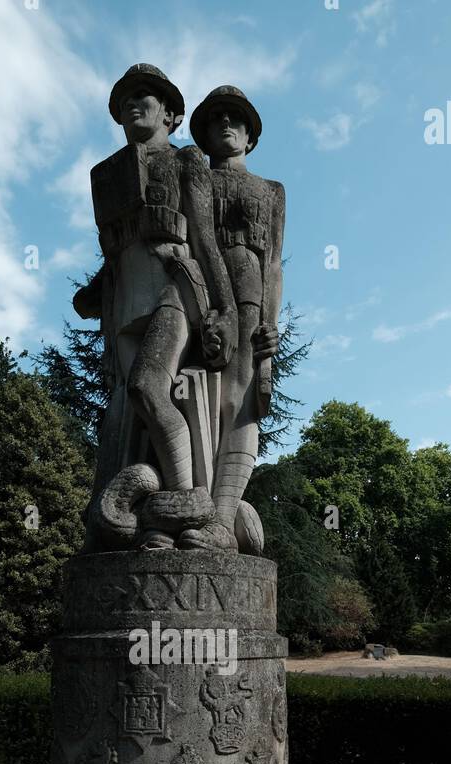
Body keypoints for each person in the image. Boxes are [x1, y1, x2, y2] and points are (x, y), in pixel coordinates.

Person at [74, 64, 238, 549]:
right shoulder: (106, 173)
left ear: (170, 113)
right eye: (125, 97)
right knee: (128, 410)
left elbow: (205, 240)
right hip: (124, 301)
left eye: (145, 95)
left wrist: (225, 309)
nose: (132, 103)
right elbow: (116, 251)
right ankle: (151, 527)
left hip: (175, 290)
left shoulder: (186, 161)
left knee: (149, 387)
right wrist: (94, 290)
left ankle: (189, 503)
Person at [181, 85, 285, 551]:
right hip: (200, 298)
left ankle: (221, 522)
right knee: (198, 400)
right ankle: (192, 508)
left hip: (250, 301)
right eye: (216, 117)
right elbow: (201, 237)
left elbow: (275, 263)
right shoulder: (198, 176)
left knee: (243, 405)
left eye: (235, 118)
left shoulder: (272, 191)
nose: (226, 123)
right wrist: (219, 307)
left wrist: (270, 323)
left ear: (250, 136)